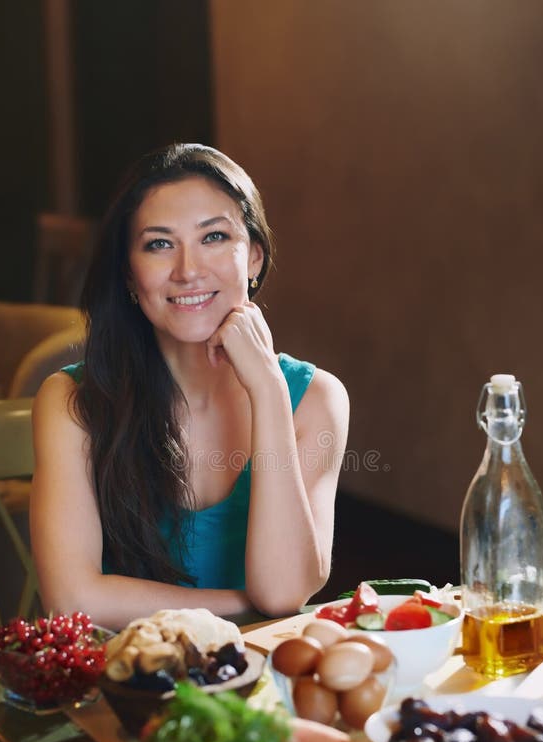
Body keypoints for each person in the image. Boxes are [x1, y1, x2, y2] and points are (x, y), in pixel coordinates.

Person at [30, 143, 349, 632]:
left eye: (214, 237)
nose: (188, 270)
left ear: (254, 257)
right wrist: (244, 604)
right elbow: (73, 600)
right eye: (159, 244)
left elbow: (283, 589)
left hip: (256, 674)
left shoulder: (316, 399)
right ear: (129, 274)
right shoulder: (71, 402)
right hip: (122, 672)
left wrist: (267, 390)